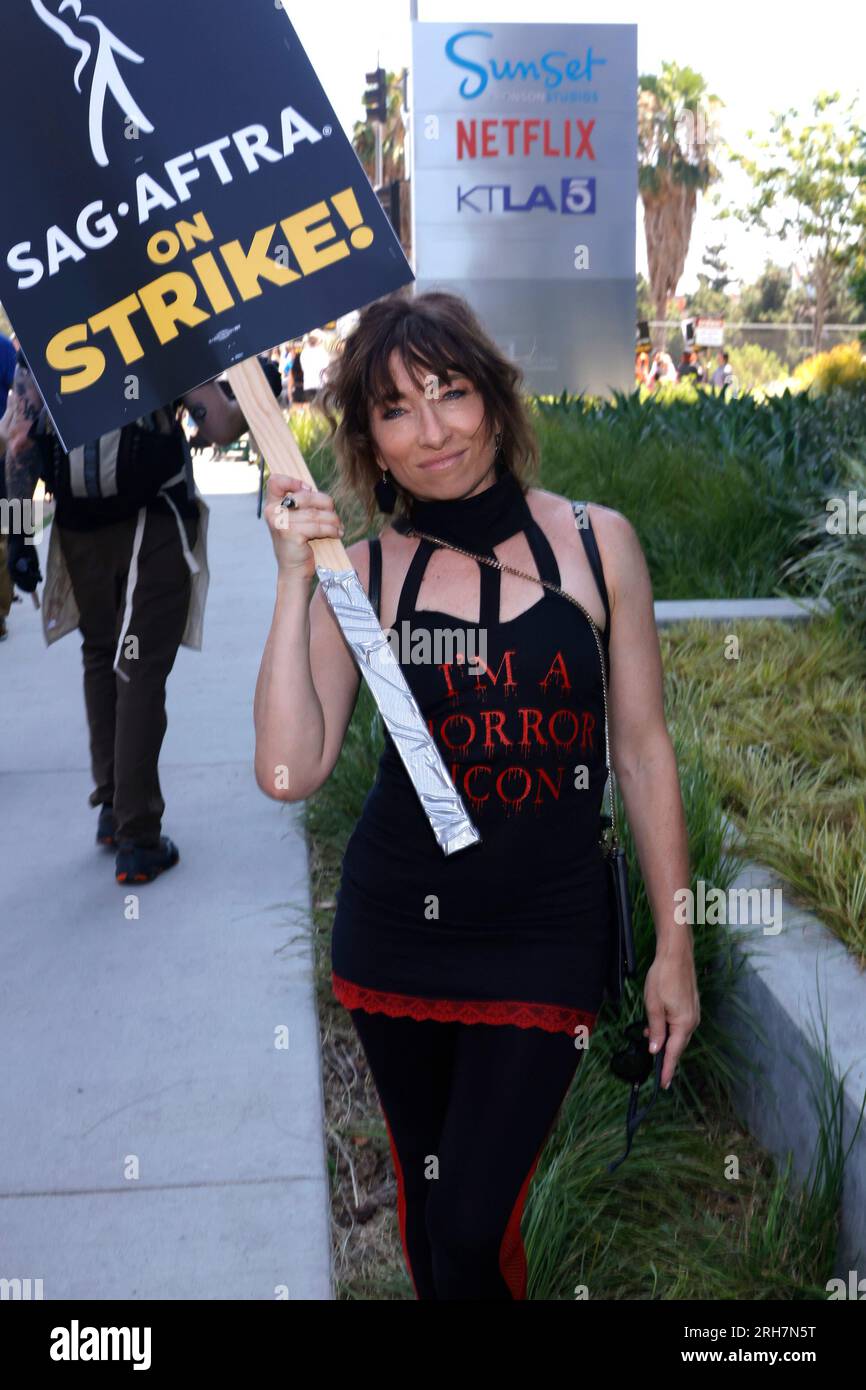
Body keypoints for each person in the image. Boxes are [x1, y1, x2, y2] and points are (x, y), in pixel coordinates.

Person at [253, 290, 700, 1300]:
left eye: (449, 392)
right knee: (431, 1211)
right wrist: (293, 580)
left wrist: (673, 943)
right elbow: (289, 770)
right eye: (396, 408)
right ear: (367, 439)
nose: (433, 429)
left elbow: (638, 750)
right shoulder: (355, 573)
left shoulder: (596, 544)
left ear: (493, 400)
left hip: (546, 935)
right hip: (395, 932)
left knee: (469, 1219)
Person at [5, 351, 248, 881]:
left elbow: (17, 450)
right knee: (137, 667)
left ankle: (114, 807)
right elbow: (223, 427)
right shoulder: (159, 325)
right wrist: (253, 392)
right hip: (153, 521)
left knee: (101, 654)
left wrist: (19, 538)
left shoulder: (44, 340)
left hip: (77, 528)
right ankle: (138, 836)